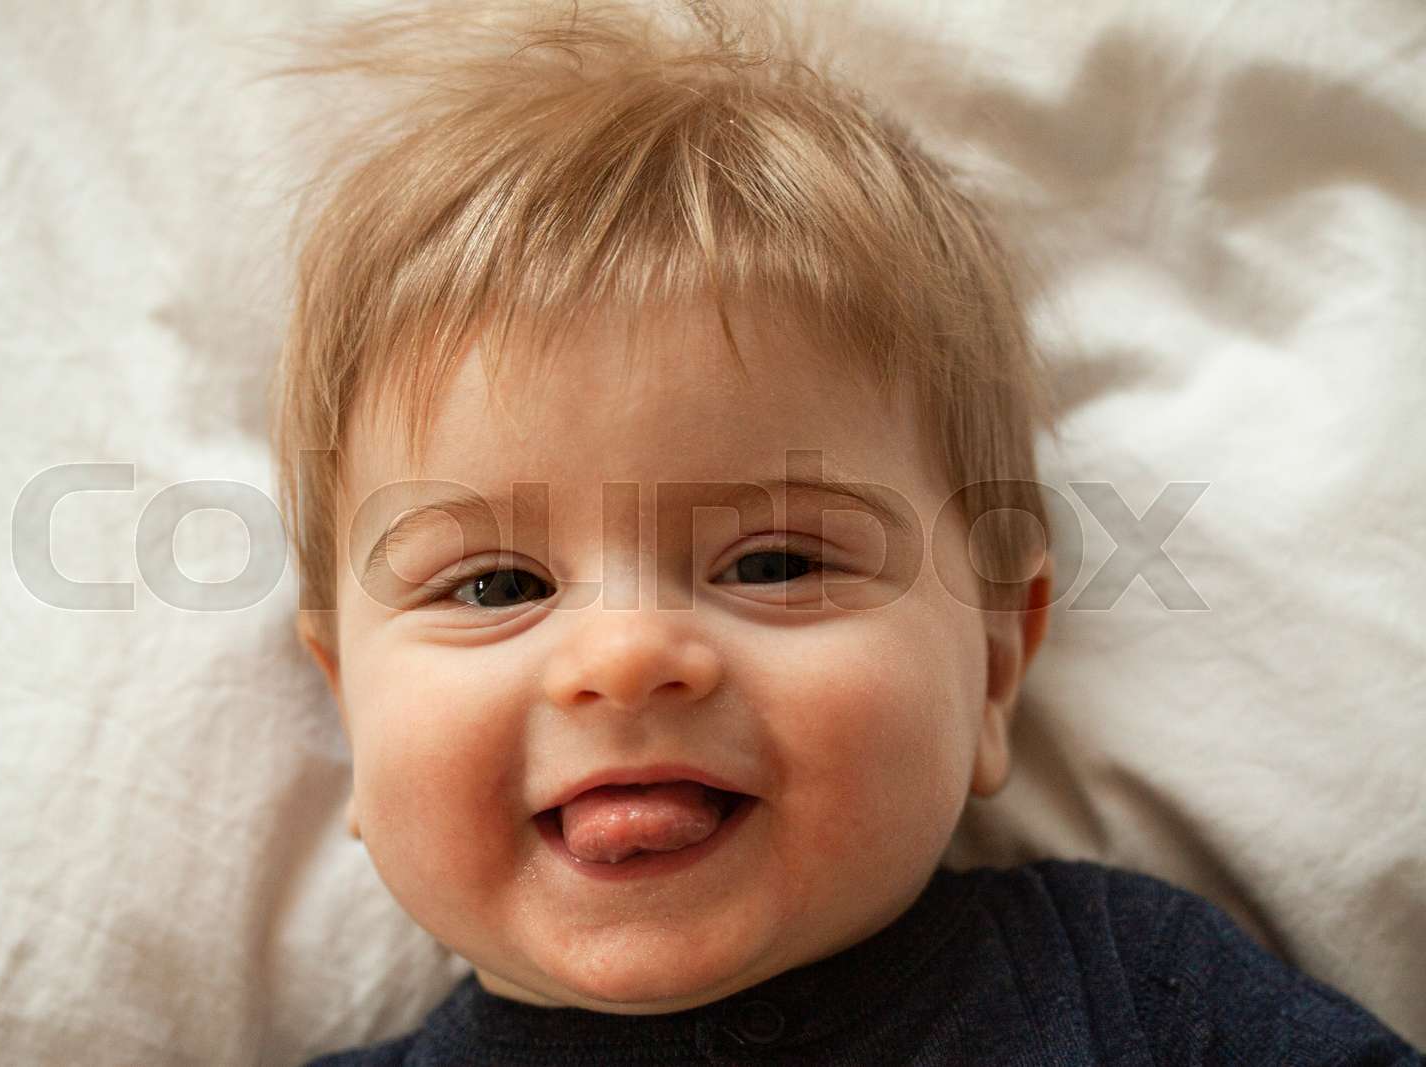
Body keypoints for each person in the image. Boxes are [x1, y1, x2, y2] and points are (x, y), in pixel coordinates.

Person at [269, 1, 1423, 1062]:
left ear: (991, 662)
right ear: (347, 707)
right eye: (494, 586)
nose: (622, 656)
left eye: (772, 562)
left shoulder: (1135, 988)